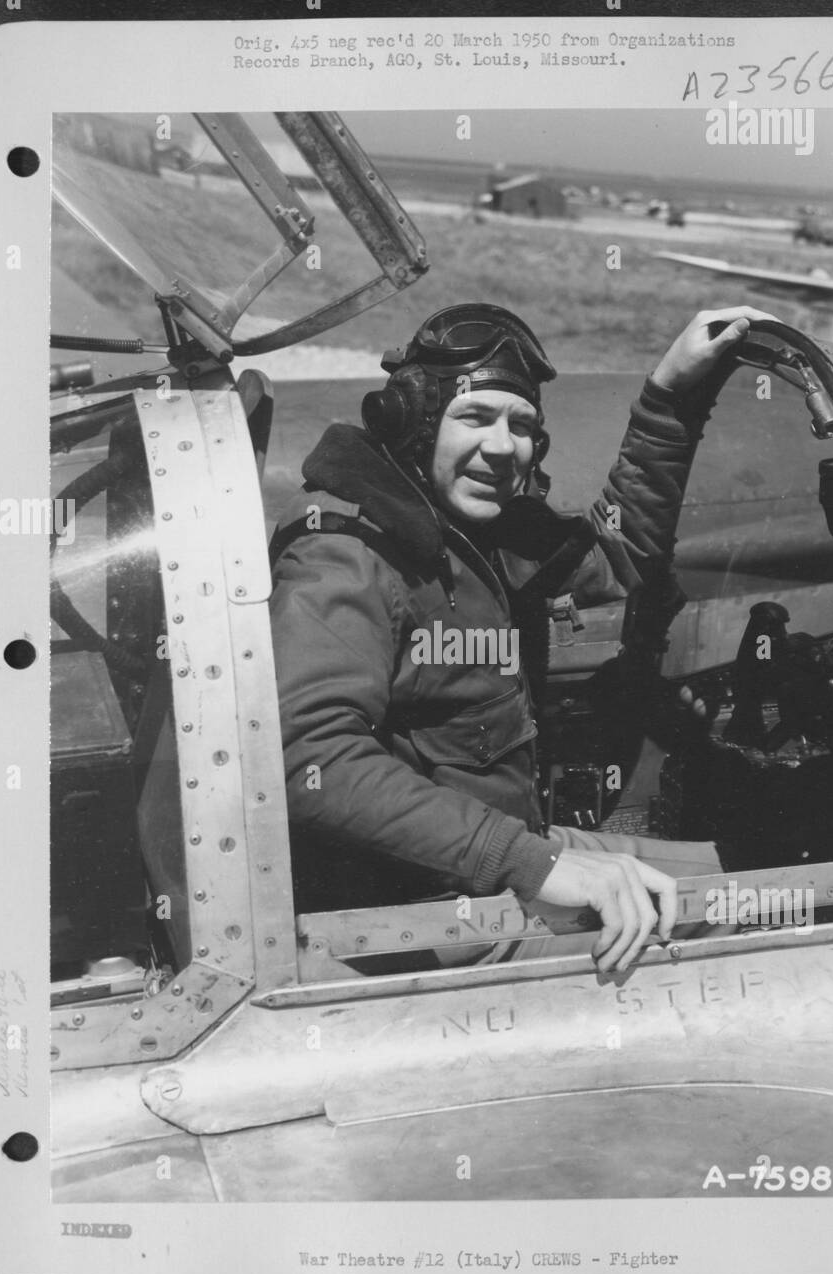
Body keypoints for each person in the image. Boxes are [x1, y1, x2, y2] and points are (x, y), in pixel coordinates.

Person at [269, 302, 770, 974]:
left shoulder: (479, 537)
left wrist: (671, 394)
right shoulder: (347, 554)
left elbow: (622, 552)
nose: (504, 447)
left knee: (759, 876)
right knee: (752, 929)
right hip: (423, 908)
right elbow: (312, 757)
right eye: (475, 418)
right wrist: (532, 864)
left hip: (507, 858)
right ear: (412, 427)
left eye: (523, 426)